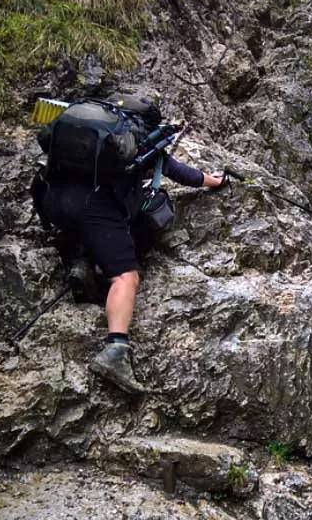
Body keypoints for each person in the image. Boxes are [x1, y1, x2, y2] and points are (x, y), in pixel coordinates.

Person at [32, 132, 225, 394]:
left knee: (98, 226)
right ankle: (116, 351)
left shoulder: (88, 138)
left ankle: (82, 260)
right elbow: (185, 175)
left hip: (50, 198)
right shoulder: (146, 145)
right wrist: (215, 180)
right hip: (94, 208)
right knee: (126, 277)